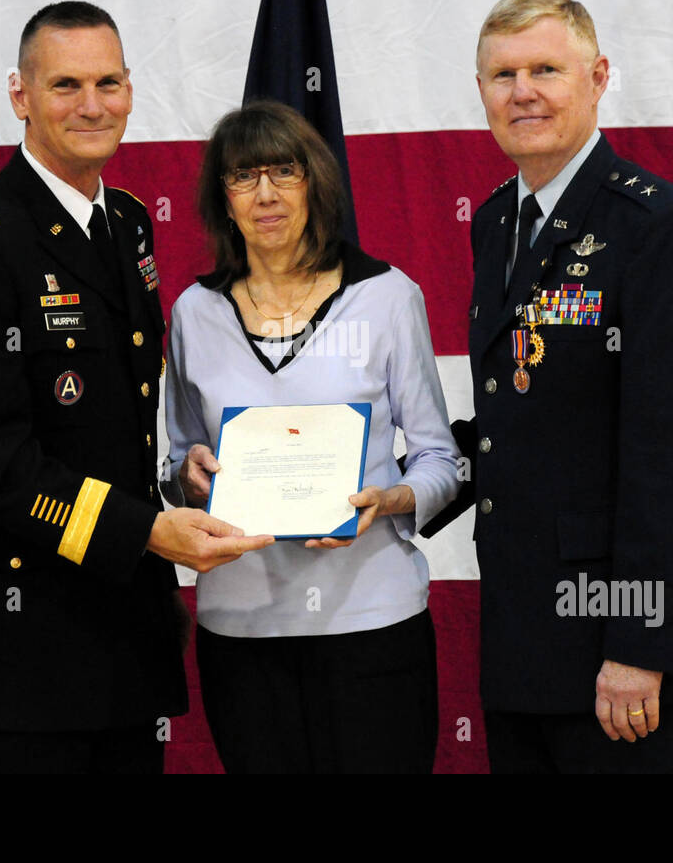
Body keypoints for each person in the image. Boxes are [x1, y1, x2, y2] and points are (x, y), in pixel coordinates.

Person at [0, 1, 271, 775]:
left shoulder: (128, 223)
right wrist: (146, 531)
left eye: (109, 82)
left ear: (132, 90)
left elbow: (120, 421)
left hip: (123, 634)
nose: (92, 105)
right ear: (21, 96)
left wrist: (182, 474)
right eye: (66, 84)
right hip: (19, 647)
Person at [452, 0, 673, 772]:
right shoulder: (494, 224)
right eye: (502, 74)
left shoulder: (656, 228)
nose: (524, 92)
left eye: (546, 68)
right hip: (523, 645)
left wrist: (641, 647)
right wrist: (406, 478)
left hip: (620, 658)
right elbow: (519, 418)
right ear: (480, 90)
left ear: (598, 75)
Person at [163, 100, 460, 773]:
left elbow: (442, 458)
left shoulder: (387, 296)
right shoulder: (193, 312)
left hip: (372, 622)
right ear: (222, 198)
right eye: (243, 177)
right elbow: (180, 458)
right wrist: (191, 472)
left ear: (314, 183)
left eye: (283, 171)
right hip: (241, 628)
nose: (265, 193)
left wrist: (387, 500)